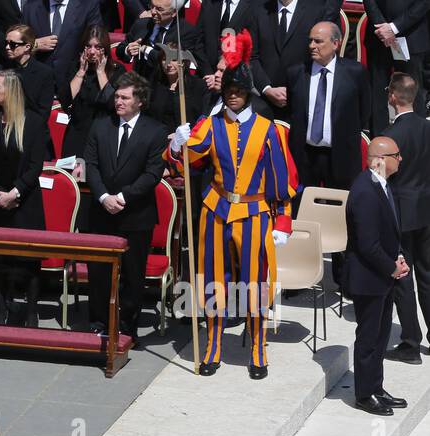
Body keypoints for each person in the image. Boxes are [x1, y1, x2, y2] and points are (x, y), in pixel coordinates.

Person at [170, 34, 297, 378]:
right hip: (216, 212)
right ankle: (212, 347)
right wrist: (178, 145)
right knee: (214, 283)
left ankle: (257, 349)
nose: (233, 95)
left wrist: (283, 222)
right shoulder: (210, 126)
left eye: (239, 90)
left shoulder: (270, 131)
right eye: (229, 90)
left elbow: (282, 183)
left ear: (248, 92)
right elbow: (185, 161)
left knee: (255, 284)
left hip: (255, 215)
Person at [84, 74, 168, 339]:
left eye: (124, 97)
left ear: (139, 101)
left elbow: (153, 173)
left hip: (135, 215)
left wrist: (121, 197)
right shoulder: (100, 125)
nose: (117, 101)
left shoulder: (155, 131)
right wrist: (103, 197)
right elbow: (92, 165)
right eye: (116, 96)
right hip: (101, 212)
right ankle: (99, 322)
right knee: (99, 272)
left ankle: (127, 327)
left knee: (132, 275)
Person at [0, 70, 47, 326]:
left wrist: (15, 192)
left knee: (27, 260)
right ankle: (0, 306)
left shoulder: (34, 123)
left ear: (10, 92)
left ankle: (30, 310)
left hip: (24, 202)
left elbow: (36, 164)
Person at [345, 136, 411, 416]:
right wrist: (392, 267)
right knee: (369, 337)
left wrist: (397, 256)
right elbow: (367, 245)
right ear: (382, 160)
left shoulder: (381, 186)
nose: (401, 159)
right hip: (368, 278)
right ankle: (363, 394)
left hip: (382, 276)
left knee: (381, 335)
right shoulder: (364, 191)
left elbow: (386, 234)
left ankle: (376, 386)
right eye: (397, 155)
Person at [286, 22, 368, 213]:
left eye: (318, 41)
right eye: (310, 41)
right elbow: (293, 110)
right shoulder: (296, 72)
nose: (312, 46)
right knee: (303, 208)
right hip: (305, 155)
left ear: (336, 44)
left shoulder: (355, 73)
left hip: (341, 155)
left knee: (340, 210)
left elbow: (364, 110)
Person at [386, 74, 430, 364]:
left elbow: (381, 179)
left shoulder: (390, 135)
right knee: (427, 276)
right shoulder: (427, 128)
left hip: (400, 213)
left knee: (403, 278)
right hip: (426, 210)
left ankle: (410, 343)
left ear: (392, 97)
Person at [250, 0, 343, 122]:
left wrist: (296, 90)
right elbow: (251, 56)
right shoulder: (258, 10)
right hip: (264, 101)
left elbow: (324, 56)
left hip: (303, 100)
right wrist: (266, 88)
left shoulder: (317, 10)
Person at [58, 24, 123, 160]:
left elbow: (113, 104)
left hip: (104, 136)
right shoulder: (75, 68)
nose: (92, 51)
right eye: (88, 46)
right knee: (72, 179)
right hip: (77, 134)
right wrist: (81, 72)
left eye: (98, 47)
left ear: (105, 49)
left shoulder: (117, 70)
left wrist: (100, 72)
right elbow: (65, 101)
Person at [364, 0, 429, 133]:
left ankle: (416, 141)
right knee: (377, 93)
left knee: (414, 93)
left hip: (412, 35)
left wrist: (394, 28)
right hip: (378, 36)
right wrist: (382, 28)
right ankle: (380, 141)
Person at [21, 0, 102, 87]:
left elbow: (97, 38)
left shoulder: (87, 5)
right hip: (39, 82)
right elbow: (17, 43)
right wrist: (34, 44)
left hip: (74, 81)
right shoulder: (31, 7)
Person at [117, 0, 206, 77]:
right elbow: (120, 49)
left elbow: (175, 62)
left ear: (174, 12)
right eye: (151, 6)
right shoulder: (142, 25)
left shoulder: (185, 32)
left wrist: (147, 50)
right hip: (141, 82)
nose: (153, 12)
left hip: (167, 85)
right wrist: (127, 50)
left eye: (159, 9)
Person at [0, 23, 54, 119]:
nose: (7, 47)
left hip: (30, 127)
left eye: (12, 44)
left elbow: (43, 112)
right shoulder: (3, 69)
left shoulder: (44, 73)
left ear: (27, 47)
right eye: (6, 43)